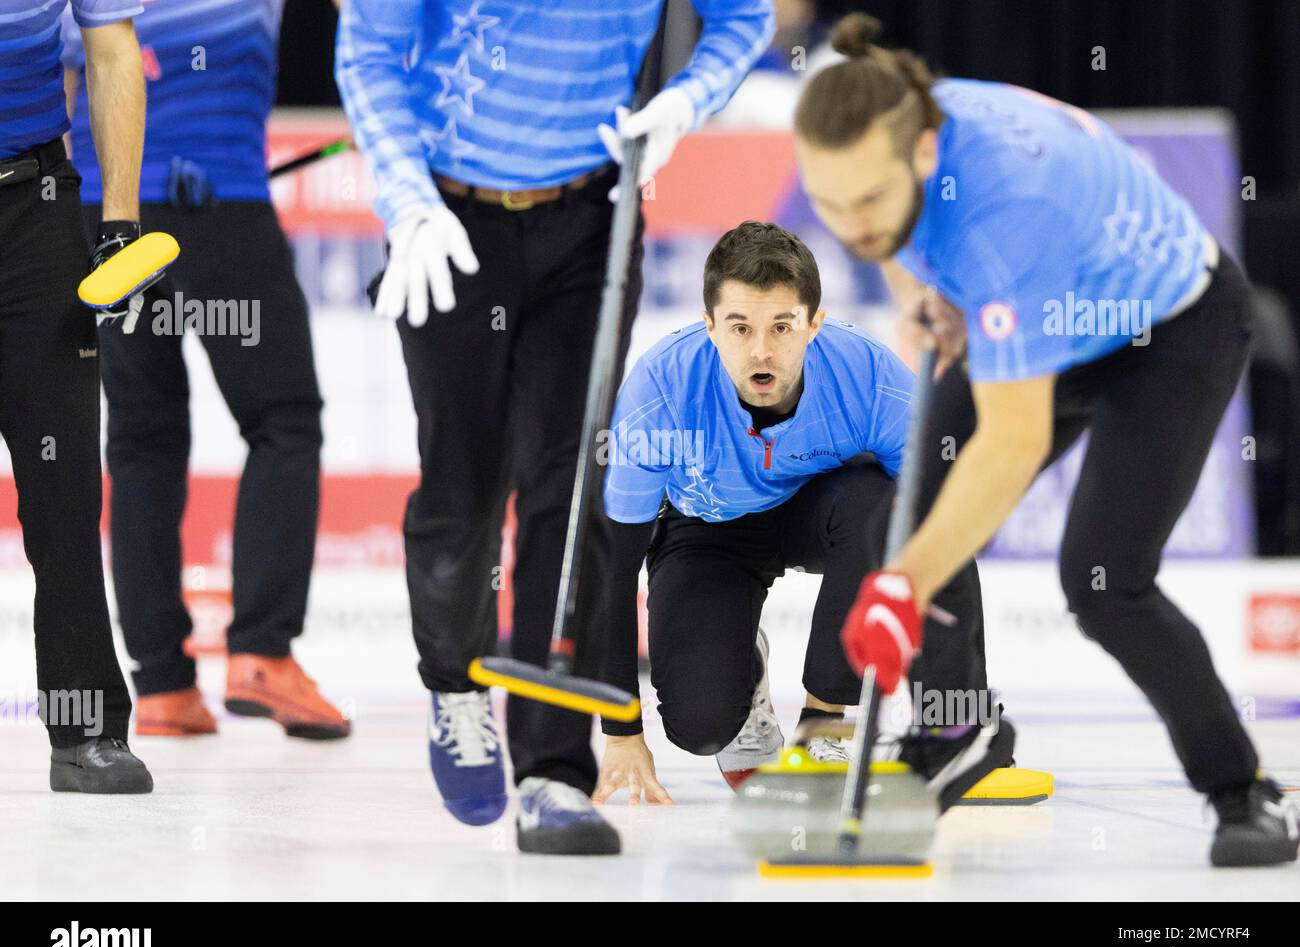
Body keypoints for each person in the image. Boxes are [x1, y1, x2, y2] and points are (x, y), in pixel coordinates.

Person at [796, 14, 1298, 867]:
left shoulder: (1004, 208)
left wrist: (901, 591)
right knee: (902, 518)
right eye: (828, 203)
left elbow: (1011, 444)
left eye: (868, 202)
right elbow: (879, 224)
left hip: (1172, 327)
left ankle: (1243, 790)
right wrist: (918, 283)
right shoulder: (880, 133)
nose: (850, 223)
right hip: (1051, 294)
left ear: (923, 156)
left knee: (1104, 581)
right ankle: (959, 727)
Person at [336, 0, 776, 854]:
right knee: (462, 488)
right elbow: (367, 56)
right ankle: (456, 683)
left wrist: (689, 99)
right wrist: (406, 200)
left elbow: (744, 17)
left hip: (590, 218)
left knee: (568, 487)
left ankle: (553, 770)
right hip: (449, 216)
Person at [591, 221, 1010, 808]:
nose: (761, 350)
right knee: (700, 724)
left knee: (898, 508)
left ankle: (827, 725)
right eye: (739, 328)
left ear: (815, 323)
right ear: (709, 326)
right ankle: (745, 676)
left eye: (782, 327)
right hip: (708, 530)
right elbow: (609, 572)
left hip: (826, 509)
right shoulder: (658, 393)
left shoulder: (867, 374)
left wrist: (960, 721)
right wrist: (621, 733)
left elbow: (950, 519)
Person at [62, 0, 349, 741]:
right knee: (283, 420)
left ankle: (160, 683)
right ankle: (260, 652)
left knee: (140, 438)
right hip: (218, 202)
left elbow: (64, 78)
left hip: (107, 212)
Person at [0, 0, 152, 791]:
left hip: (34, 208)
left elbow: (112, 49)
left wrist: (121, 223)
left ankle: (87, 729)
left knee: (62, 491)